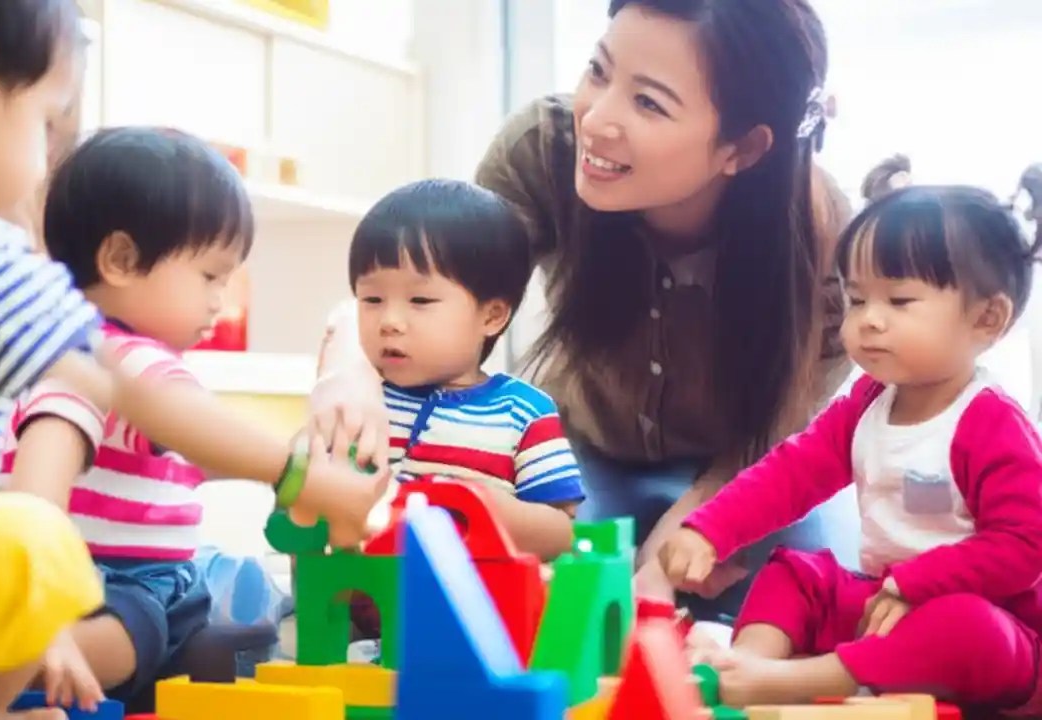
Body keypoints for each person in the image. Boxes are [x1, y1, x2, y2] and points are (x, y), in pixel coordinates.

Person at [0, 2, 384, 718]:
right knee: (39, 541)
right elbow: (129, 389)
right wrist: (296, 473)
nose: (41, 164)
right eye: (44, 125)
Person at [311, 0, 853, 622]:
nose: (596, 118)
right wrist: (346, 371)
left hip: (742, 467)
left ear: (744, 146)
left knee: (805, 608)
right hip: (579, 452)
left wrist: (686, 536)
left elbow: (778, 436)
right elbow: (428, 284)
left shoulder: (823, 245)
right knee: (472, 597)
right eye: (598, 70)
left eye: (648, 102)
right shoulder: (543, 150)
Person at [660, 185, 1042, 712]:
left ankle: (791, 681)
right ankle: (746, 667)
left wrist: (918, 583)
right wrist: (711, 528)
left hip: (990, 624)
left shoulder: (991, 423)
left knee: (966, 628)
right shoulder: (868, 402)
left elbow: (1024, 547)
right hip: (882, 601)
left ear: (986, 320)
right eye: (857, 299)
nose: (868, 320)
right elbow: (792, 472)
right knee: (796, 572)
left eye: (899, 301)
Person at [2, 127, 277, 705]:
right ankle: (14, 667)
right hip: (103, 583)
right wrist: (38, 612)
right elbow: (38, 479)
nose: (219, 302)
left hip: (125, 576)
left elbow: (182, 460)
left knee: (207, 587)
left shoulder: (74, 346)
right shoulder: (116, 360)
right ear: (122, 260)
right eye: (210, 276)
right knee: (155, 623)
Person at [350, 179, 586, 558]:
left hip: (479, 607)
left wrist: (481, 507)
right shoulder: (360, 395)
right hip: (357, 600)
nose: (389, 321)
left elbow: (561, 532)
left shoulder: (524, 413)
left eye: (420, 299)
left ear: (492, 316)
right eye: (372, 298)